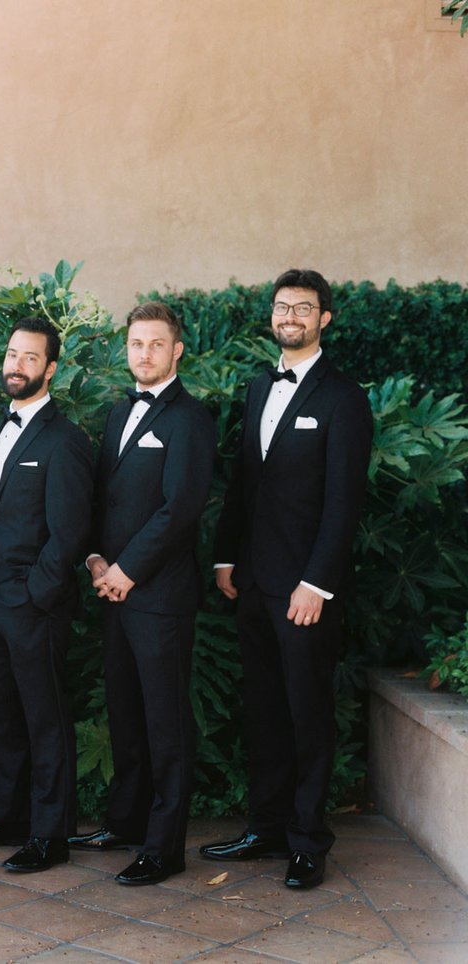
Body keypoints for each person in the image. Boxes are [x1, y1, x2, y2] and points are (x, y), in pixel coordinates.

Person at [204, 269, 372, 890]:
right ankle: (266, 827)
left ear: (324, 318)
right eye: (283, 307)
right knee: (266, 712)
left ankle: (307, 841)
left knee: (307, 714)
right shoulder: (256, 389)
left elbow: (343, 502)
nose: (291, 317)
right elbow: (243, 484)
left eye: (304, 308)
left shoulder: (343, 398)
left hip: (305, 591)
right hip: (253, 584)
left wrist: (317, 583)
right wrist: (225, 559)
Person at [70, 302, 215, 885]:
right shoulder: (117, 413)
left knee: (165, 724)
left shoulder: (192, 419)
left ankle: (164, 847)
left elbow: (180, 509)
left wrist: (129, 569)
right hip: (115, 591)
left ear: (176, 351)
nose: (145, 353)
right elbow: (106, 499)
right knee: (126, 716)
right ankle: (125, 821)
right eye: (136, 344)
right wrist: (98, 558)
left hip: (159, 596)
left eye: (156, 344)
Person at [0, 316, 93, 873]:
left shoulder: (67, 440)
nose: (17, 365)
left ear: (51, 368)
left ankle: (49, 835)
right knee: (2, 718)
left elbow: (70, 533)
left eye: (30, 358)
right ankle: (4, 817)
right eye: (13, 355)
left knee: (44, 721)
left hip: (35, 607)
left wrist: (35, 594)